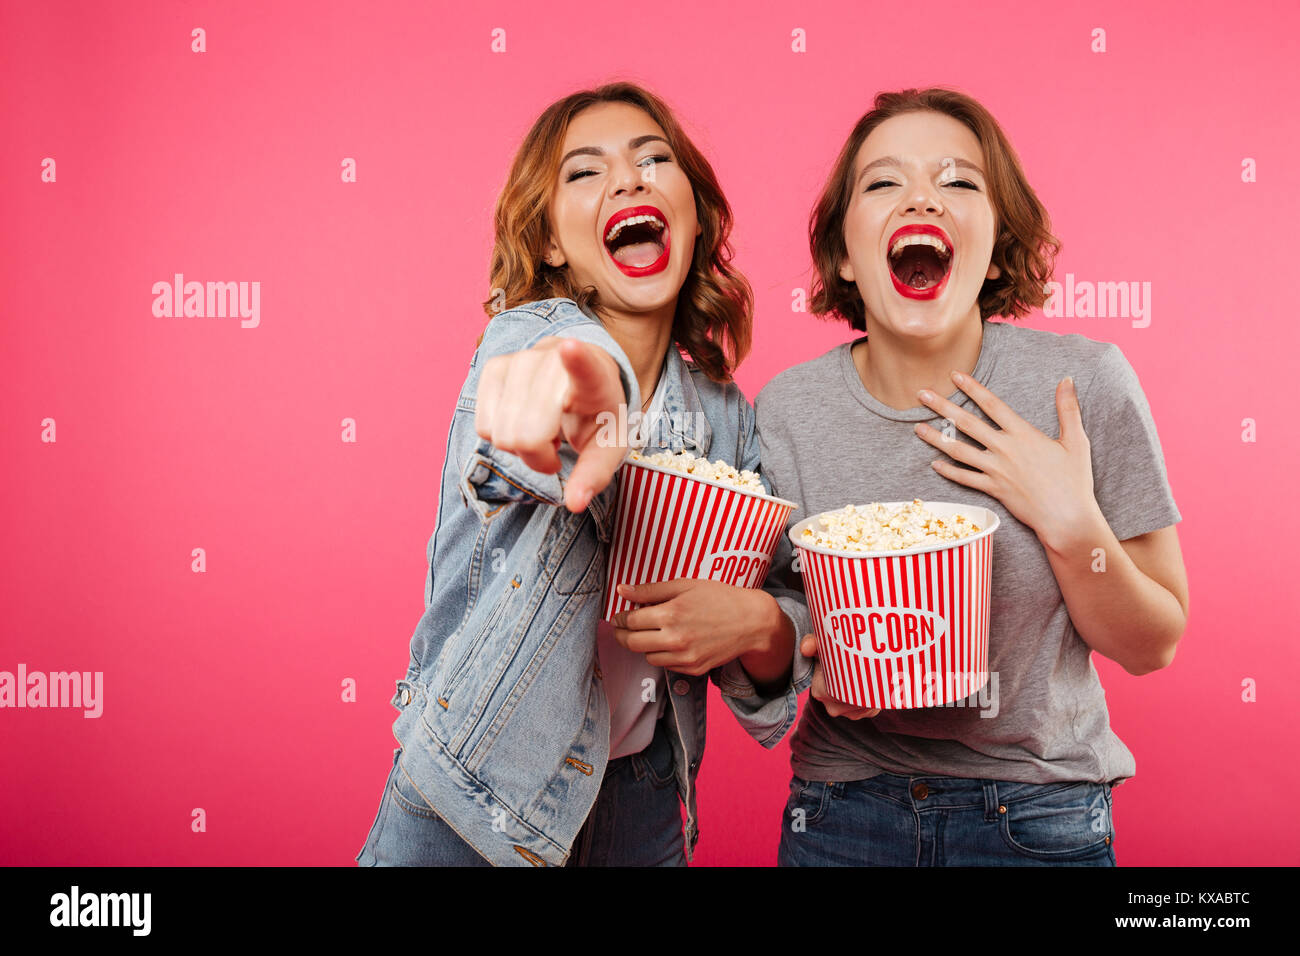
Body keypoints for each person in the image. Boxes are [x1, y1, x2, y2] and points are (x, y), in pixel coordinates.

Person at [355, 81, 803, 867]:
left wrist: (760, 626)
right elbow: (549, 392)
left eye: (654, 159)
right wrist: (577, 402)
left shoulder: (727, 414)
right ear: (554, 242)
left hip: (647, 800)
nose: (629, 179)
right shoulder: (525, 338)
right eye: (586, 172)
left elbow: (766, 663)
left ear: (693, 216)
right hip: (479, 783)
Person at [757, 87, 1189, 866]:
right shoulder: (788, 409)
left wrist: (1069, 520)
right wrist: (810, 657)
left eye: (959, 181)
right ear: (846, 255)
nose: (922, 195)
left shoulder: (1081, 385)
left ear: (995, 245)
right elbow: (779, 614)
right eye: (884, 183)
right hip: (842, 809)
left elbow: (1154, 642)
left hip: (1040, 813)